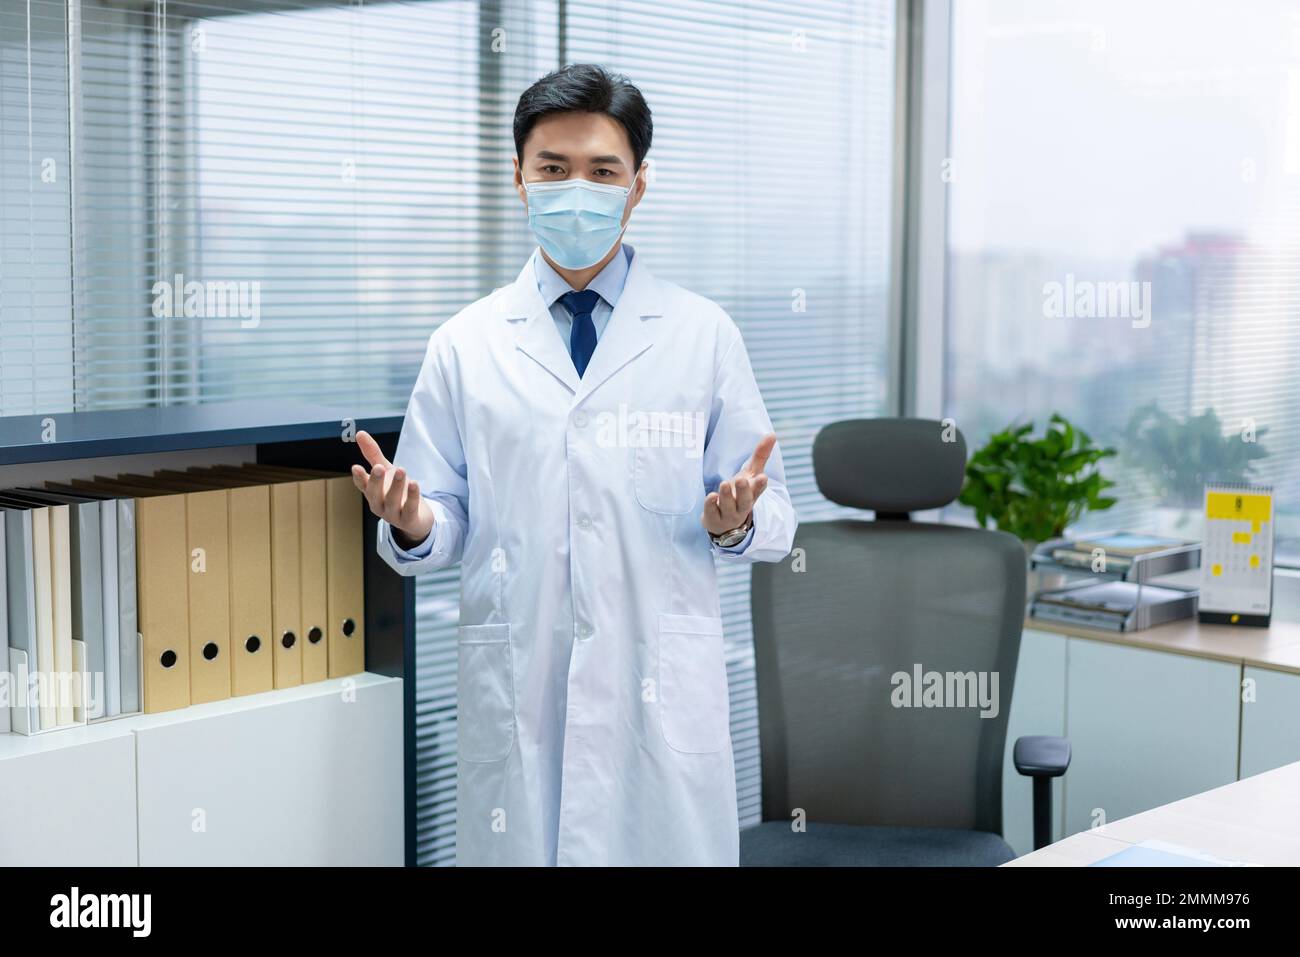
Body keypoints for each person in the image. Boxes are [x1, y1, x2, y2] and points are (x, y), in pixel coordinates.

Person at [351, 63, 796, 866]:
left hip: (657, 706)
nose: (576, 189)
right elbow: (439, 520)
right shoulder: (465, 344)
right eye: (553, 169)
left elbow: (773, 516)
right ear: (519, 178)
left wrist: (736, 522)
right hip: (523, 692)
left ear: (640, 184)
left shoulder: (702, 335)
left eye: (602, 170)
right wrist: (414, 520)